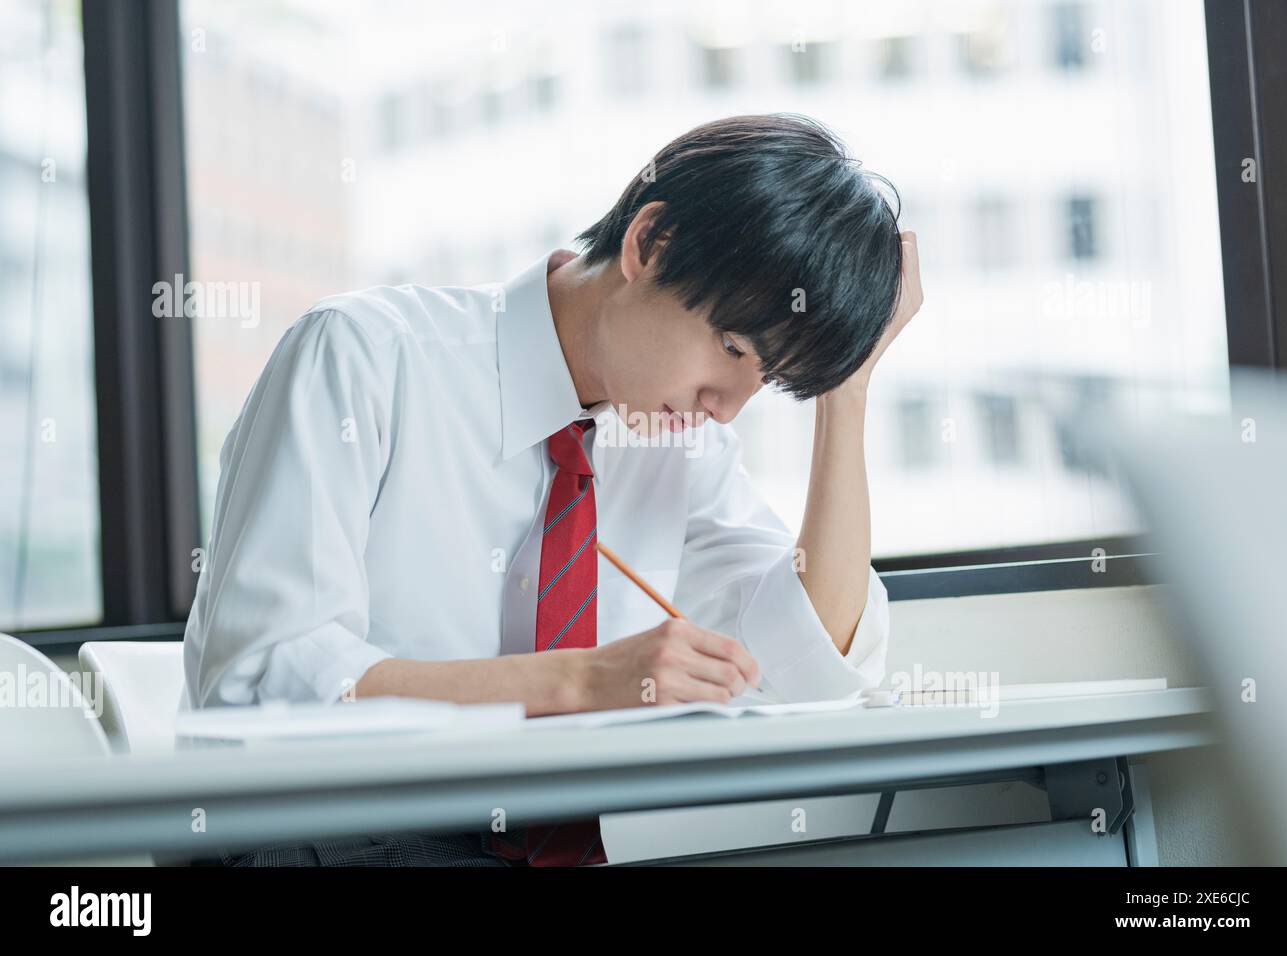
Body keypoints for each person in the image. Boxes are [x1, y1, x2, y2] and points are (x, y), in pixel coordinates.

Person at [182, 112, 924, 866]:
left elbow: (811, 663)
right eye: (731, 348)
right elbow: (263, 687)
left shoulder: (677, 443)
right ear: (649, 244)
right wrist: (582, 680)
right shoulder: (365, 357)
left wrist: (847, 386)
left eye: (762, 380)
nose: (725, 405)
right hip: (345, 833)